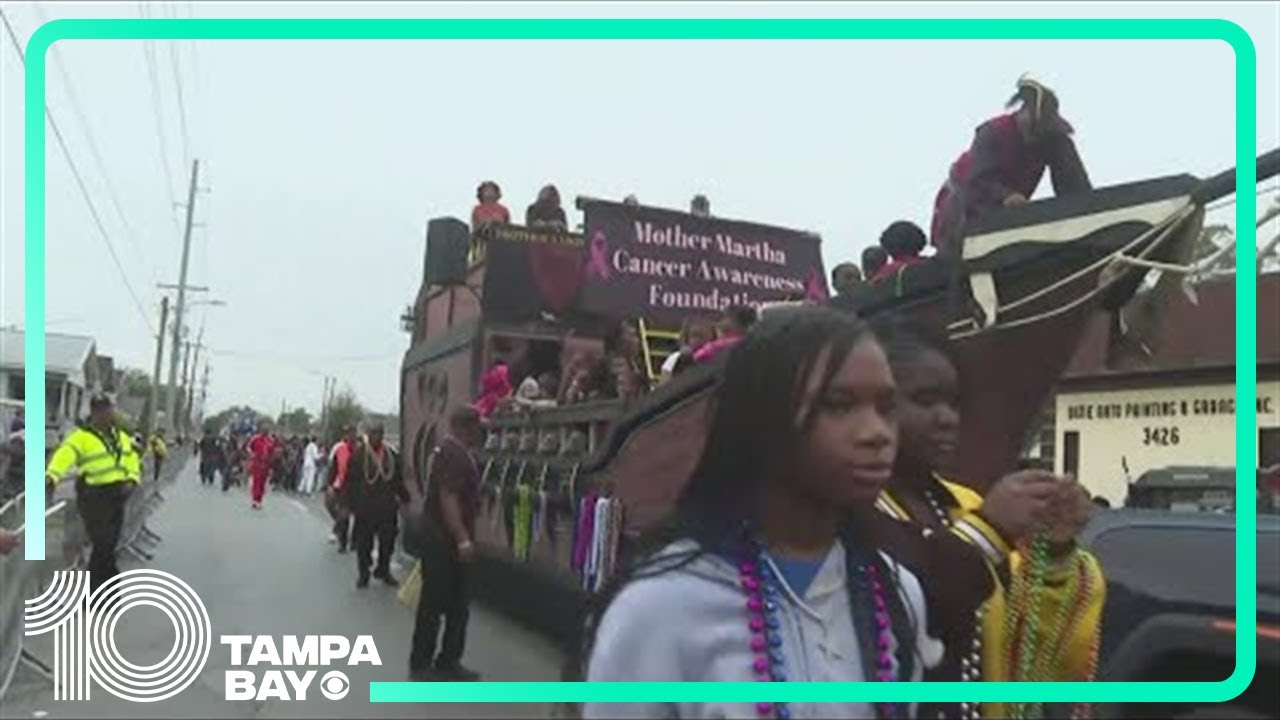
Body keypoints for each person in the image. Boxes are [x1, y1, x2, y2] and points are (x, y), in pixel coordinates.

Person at [581, 306, 977, 719]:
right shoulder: (661, 607)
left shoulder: (895, 593)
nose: (876, 432)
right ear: (763, 420)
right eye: (839, 405)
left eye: (886, 407)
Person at [872, 318, 1105, 719]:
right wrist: (988, 530)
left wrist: (1055, 553)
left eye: (953, 403)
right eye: (925, 401)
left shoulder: (962, 504)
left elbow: (1025, 649)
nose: (947, 418)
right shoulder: (847, 511)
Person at [930, 76, 1092, 254]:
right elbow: (976, 181)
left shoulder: (1049, 139)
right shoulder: (993, 131)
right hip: (964, 209)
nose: (1034, 137)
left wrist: (1086, 210)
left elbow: (1072, 182)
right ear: (1022, 112)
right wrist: (1005, 196)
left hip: (1008, 216)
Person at [409, 406, 484, 682]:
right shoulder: (454, 455)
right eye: (478, 428)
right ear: (468, 428)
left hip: (440, 536)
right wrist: (463, 538)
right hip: (444, 538)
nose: (480, 433)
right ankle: (424, 662)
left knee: (455, 603)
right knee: (438, 601)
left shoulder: (448, 451)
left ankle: (446, 659)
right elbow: (448, 498)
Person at [45, 394, 143, 594]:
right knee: (103, 544)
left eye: (107, 409)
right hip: (94, 496)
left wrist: (132, 479)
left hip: (118, 495)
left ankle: (103, 593)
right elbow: (65, 455)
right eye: (100, 410)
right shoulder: (81, 438)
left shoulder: (121, 437)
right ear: (94, 412)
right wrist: (52, 475)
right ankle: (105, 591)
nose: (105, 414)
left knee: (108, 546)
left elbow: (131, 459)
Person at [346, 424, 409, 588]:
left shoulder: (391, 455)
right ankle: (363, 573)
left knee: (388, 541)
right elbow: (350, 481)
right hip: (365, 508)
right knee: (364, 543)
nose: (377, 436)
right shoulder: (359, 455)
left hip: (386, 507)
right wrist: (347, 505)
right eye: (373, 433)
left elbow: (397, 479)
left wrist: (405, 497)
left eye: (380, 433)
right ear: (368, 434)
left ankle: (383, 569)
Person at [327, 426, 358, 551]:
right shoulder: (339, 449)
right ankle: (343, 542)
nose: (350, 436)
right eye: (347, 434)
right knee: (343, 514)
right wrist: (330, 485)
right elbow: (333, 468)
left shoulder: (361, 450)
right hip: (343, 487)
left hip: (358, 488)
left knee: (359, 517)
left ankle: (354, 541)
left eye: (352, 434)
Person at [692, 304, 758, 364]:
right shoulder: (756, 345)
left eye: (724, 317)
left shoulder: (716, 347)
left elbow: (695, 359)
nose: (720, 322)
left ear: (733, 321)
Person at [660, 318, 716, 383]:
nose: (699, 341)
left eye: (704, 336)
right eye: (695, 335)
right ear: (686, 337)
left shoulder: (718, 358)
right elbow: (664, 386)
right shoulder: (675, 358)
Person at [247, 425, 276, 510]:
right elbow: (248, 448)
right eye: (264, 430)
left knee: (262, 484)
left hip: (266, 465)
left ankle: (259, 501)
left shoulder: (271, 440)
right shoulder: (255, 438)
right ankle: (254, 500)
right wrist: (252, 454)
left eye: (266, 430)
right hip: (257, 464)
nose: (265, 431)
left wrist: (271, 464)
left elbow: (272, 453)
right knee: (256, 482)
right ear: (261, 430)